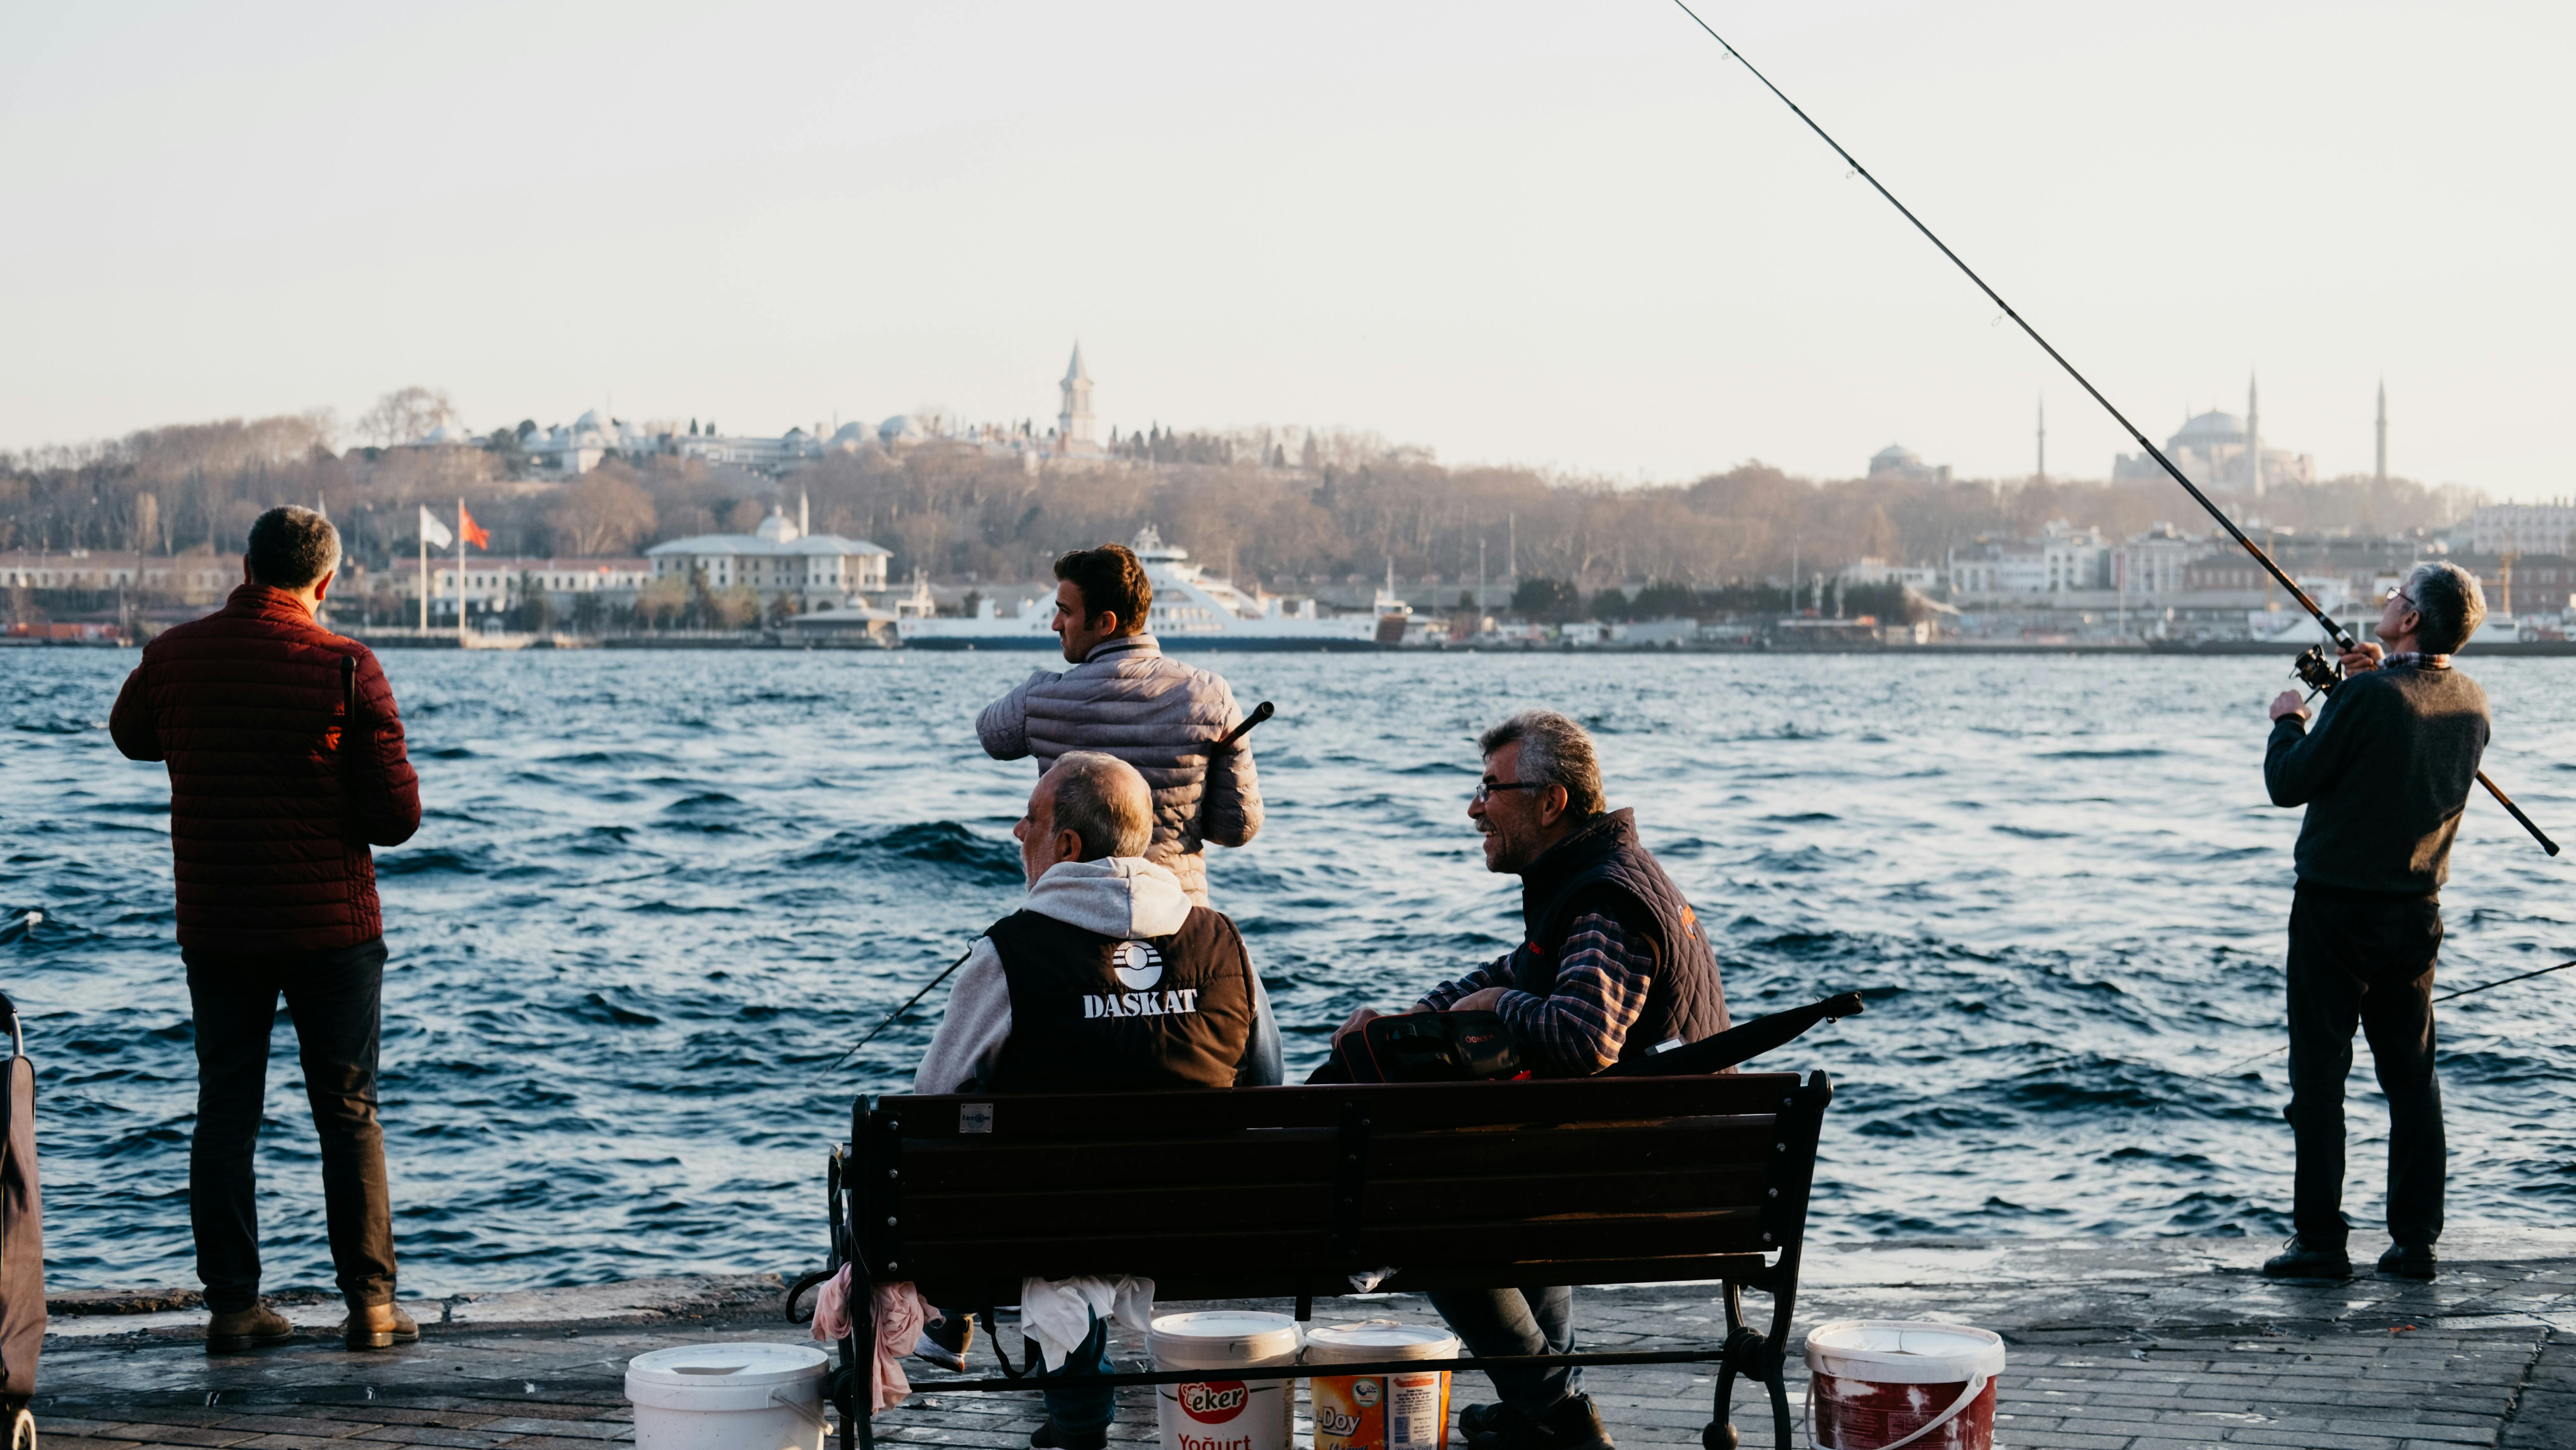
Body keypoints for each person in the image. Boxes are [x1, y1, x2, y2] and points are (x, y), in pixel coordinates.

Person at [1331, 710, 1731, 1450]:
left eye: (1492, 787)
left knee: (1415, 1206)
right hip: (1667, 1161)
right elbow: (1514, 972)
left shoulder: (1605, 896)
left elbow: (1580, 1038)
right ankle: (1541, 1412)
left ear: (1551, 803)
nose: (1474, 805)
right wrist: (1406, 1021)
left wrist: (1496, 1007)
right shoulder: (1584, 879)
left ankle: (1556, 1413)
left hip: (1660, 1179)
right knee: (1504, 1174)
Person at [108, 506, 424, 1353]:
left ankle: (234, 1310)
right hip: (333, 927)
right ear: (326, 582)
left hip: (220, 923)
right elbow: (397, 820)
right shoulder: (348, 666)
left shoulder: (172, 656)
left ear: (245, 568)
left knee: (226, 1110)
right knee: (349, 1112)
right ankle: (373, 1309)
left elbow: (130, 735)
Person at [913, 751, 1283, 1450]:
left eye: (1031, 818)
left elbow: (932, 1101)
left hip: (1046, 1226)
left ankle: (1074, 1405)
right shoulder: (1222, 939)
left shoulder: (1010, 952)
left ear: (1069, 846)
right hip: (1198, 1222)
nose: (1019, 829)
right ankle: (1073, 1393)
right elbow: (1267, 1084)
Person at [2259, 562, 2491, 1284]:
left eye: (2398, 595)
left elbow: (2289, 782)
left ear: (2413, 618)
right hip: (2417, 914)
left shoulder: (2368, 695)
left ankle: (2322, 1243)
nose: (2387, 600)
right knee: (2412, 1080)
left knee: (2320, 1078)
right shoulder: (2471, 703)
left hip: (2336, 909)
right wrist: (2363, 682)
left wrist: (2290, 718)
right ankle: (2415, 1242)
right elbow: (2393, 744)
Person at [977, 542, 1260, 906]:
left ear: (1105, 623)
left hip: (1073, 915)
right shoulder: (1210, 697)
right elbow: (1237, 829)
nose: (1055, 624)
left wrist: (1039, 691)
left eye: (1065, 611)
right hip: (1173, 915)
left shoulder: (1043, 699)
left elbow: (990, 735)